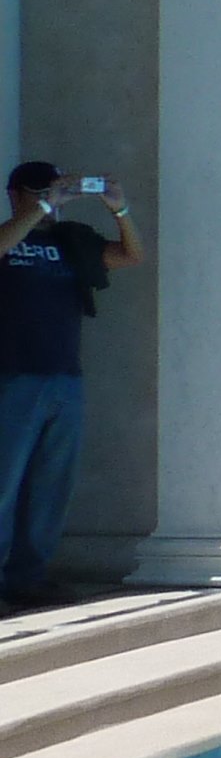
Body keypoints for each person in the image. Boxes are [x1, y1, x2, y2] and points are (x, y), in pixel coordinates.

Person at [0, 161, 141, 609]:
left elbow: (130, 256)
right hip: (12, 376)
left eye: (56, 189)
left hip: (64, 377)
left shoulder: (70, 241)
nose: (50, 199)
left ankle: (29, 576)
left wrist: (119, 210)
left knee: (50, 486)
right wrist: (40, 205)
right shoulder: (9, 236)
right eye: (39, 191)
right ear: (15, 194)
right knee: (3, 484)